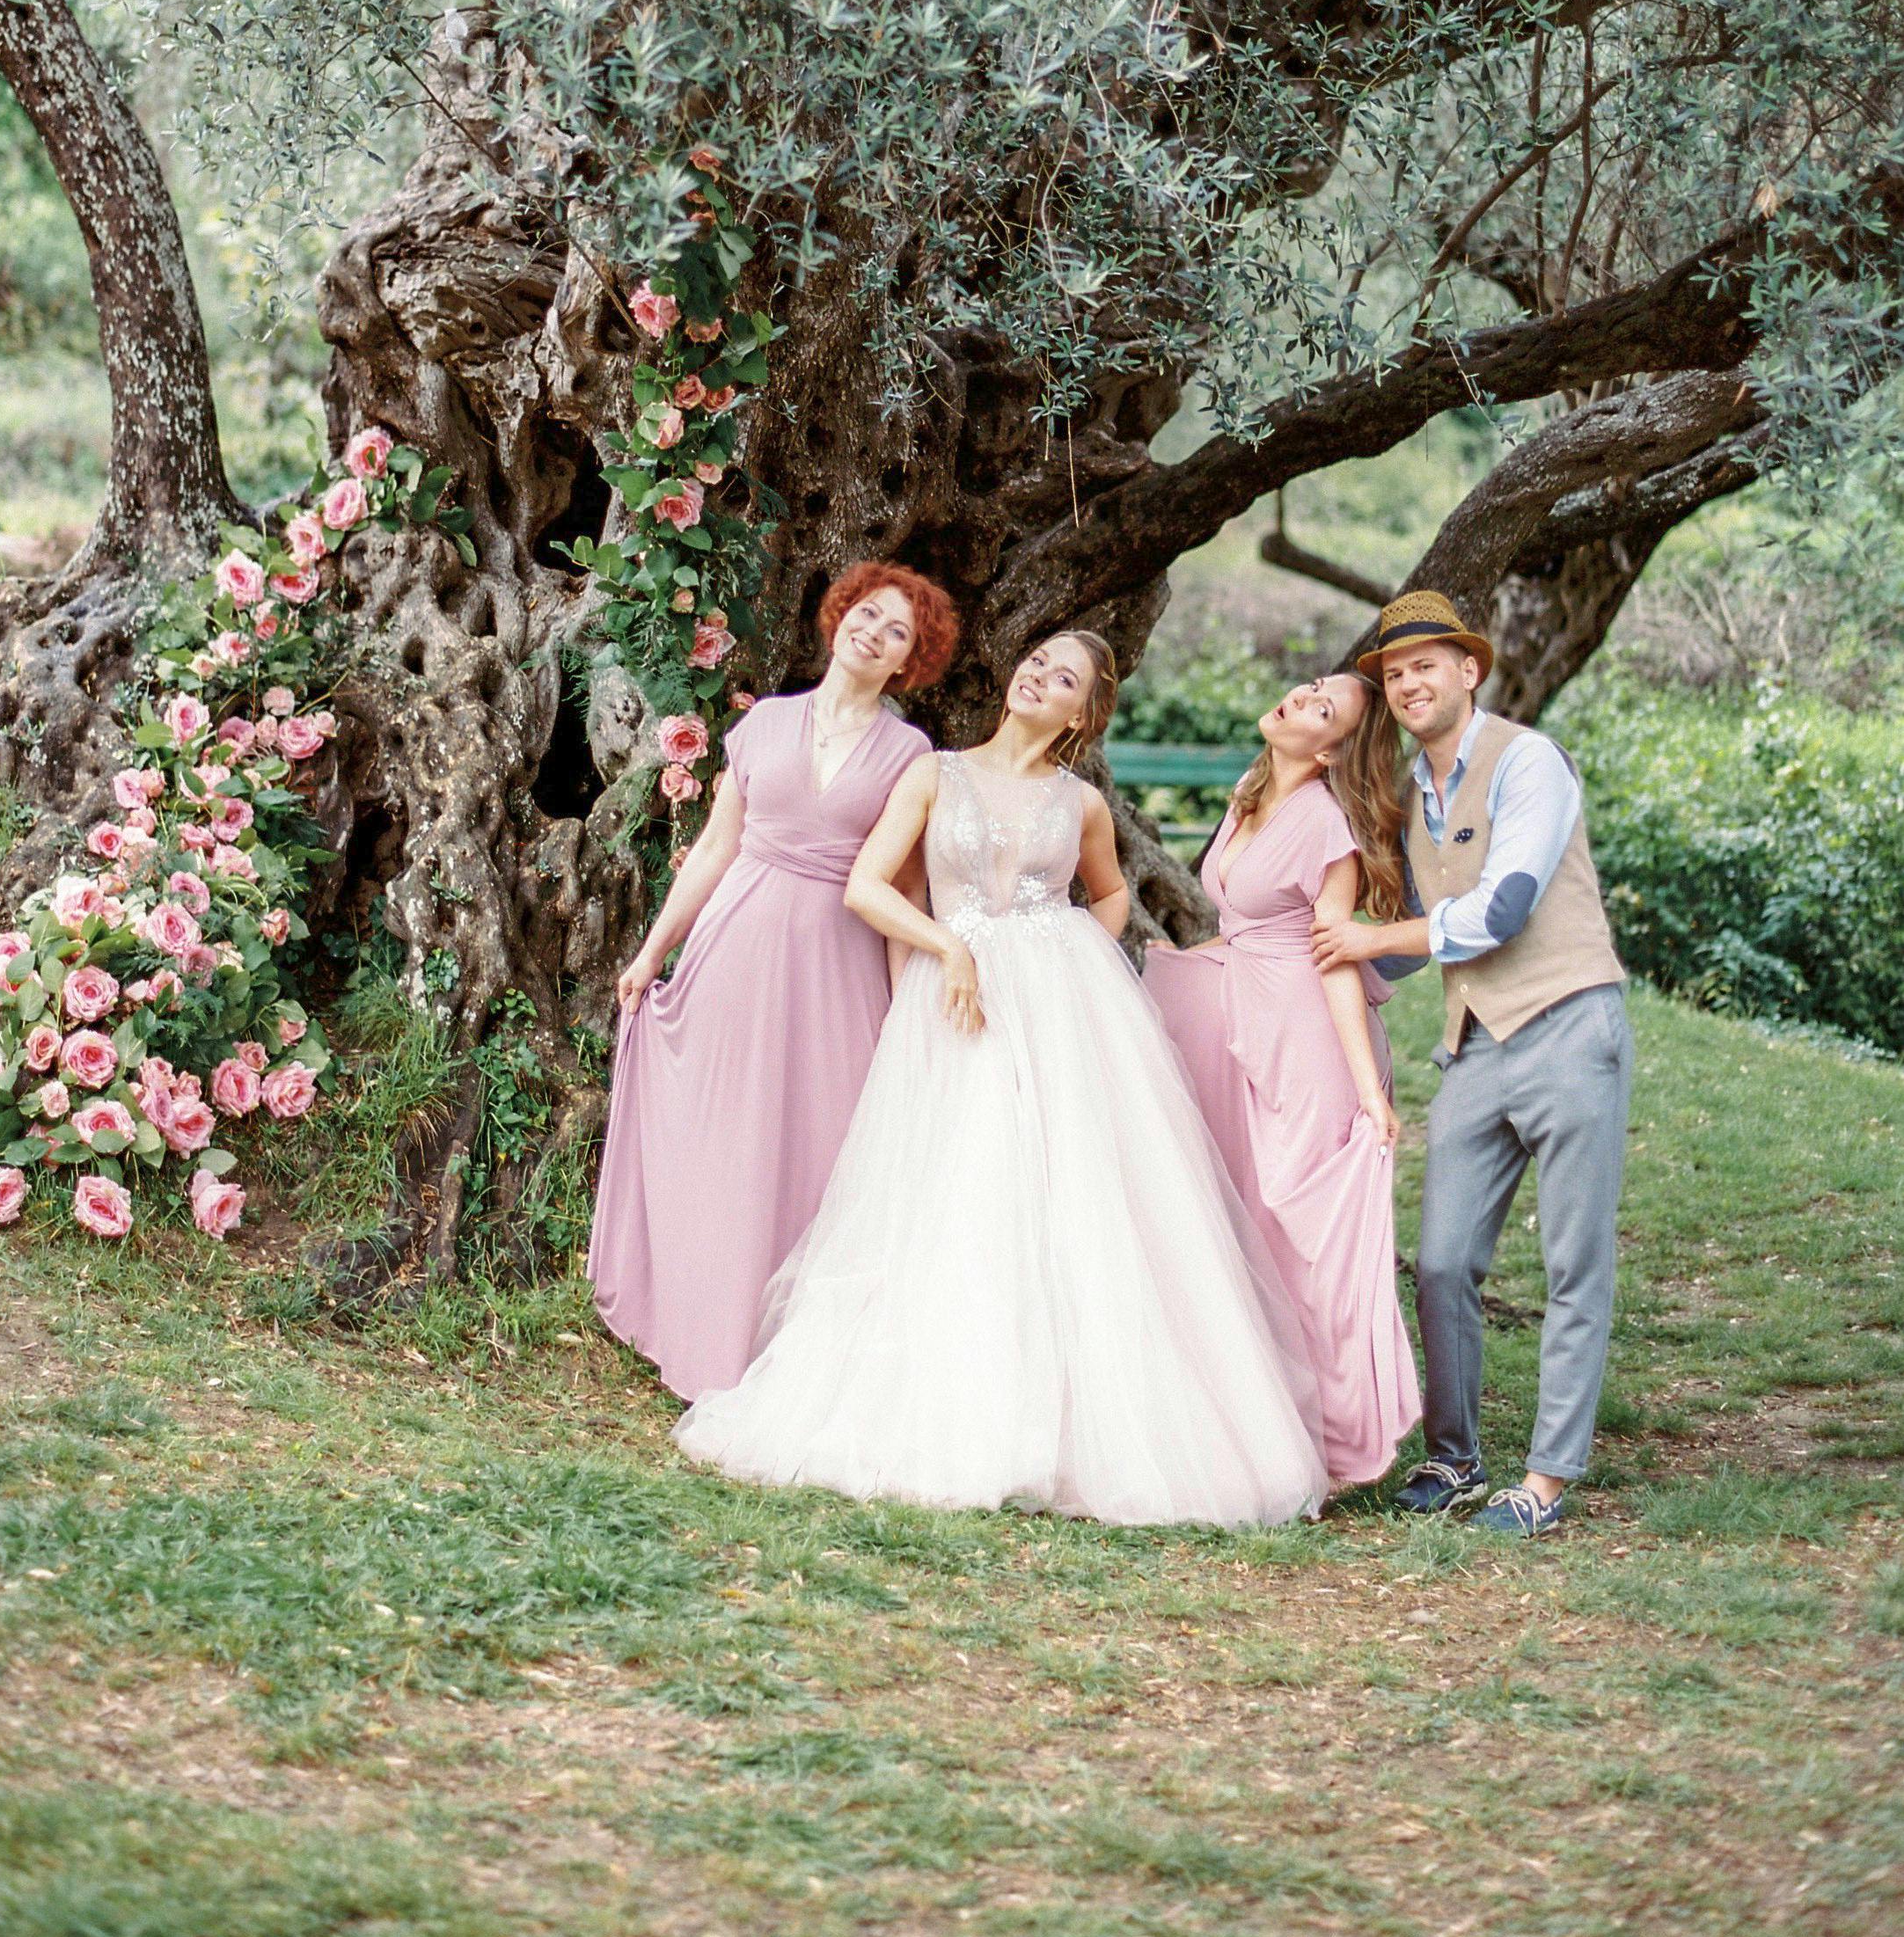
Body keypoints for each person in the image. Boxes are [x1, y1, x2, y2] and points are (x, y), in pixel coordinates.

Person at [675, 632, 1330, 1527]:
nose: (1037, 676)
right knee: (962, 1183)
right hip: (958, 1001)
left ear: (1082, 713)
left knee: (1072, 1193)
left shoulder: (1082, 802)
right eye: (1036, 661)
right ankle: (960, 1405)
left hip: (1061, 1010)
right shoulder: (934, 774)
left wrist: (1074, 954)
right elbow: (868, 886)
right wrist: (950, 947)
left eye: (1063, 678)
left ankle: (1081, 1419)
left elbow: (1109, 895)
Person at [588, 561, 958, 1400]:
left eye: (897, 632)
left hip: (837, 965)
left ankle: (785, 1347)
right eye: (867, 614)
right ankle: (699, 1329)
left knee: (815, 1145)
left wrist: (902, 1009)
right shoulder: (764, 724)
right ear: (839, 617)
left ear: (910, 660)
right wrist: (652, 952)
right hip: (738, 944)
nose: (873, 634)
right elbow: (716, 848)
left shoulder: (909, 755)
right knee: (725, 1137)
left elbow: (903, 890)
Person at [1311, 589, 1633, 1542]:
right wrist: (1306, 976)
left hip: (1570, 1024)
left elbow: (1502, 908)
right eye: (1393, 673)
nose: (1408, 683)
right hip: (1476, 1040)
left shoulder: (1527, 761)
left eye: (1425, 665)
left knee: (1574, 1262)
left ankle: (1544, 1481)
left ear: (1468, 669)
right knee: (1444, 1261)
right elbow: (1416, 943)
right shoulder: (1411, 792)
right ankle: (1454, 1457)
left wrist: (1368, 937)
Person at [1143, 672, 1422, 1493]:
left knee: (1304, 1233)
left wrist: (1367, 1093)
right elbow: (1244, 923)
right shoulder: (1250, 789)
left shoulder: (1324, 826)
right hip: (1245, 1016)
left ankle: (1338, 1443)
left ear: (1330, 751)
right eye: (1309, 689)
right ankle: (1263, 1422)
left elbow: (1330, 954)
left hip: (1308, 1034)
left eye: (1321, 709)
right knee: (1249, 1219)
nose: (1300, 700)